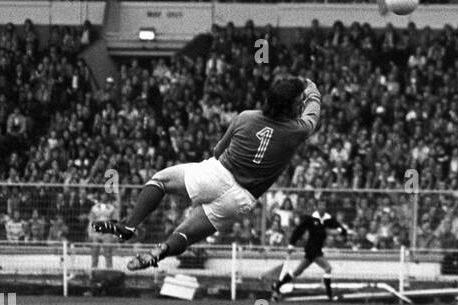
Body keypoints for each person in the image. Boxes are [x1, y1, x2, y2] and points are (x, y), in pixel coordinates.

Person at [94, 76, 322, 270]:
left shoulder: (246, 117)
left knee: (161, 181)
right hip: (241, 199)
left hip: (218, 174)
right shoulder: (297, 130)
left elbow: (217, 150)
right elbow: (313, 113)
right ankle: (160, 251)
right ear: (292, 106)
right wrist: (311, 90)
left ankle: (129, 225)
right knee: (185, 233)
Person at [272, 198, 342, 301]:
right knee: (328, 268)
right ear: (317, 207)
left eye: (324, 205)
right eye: (320, 205)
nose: (322, 207)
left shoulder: (326, 219)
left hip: (316, 249)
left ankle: (277, 286)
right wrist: (291, 244)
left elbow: (331, 229)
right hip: (312, 249)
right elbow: (299, 230)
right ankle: (330, 295)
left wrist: (339, 230)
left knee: (297, 272)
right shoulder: (311, 219)